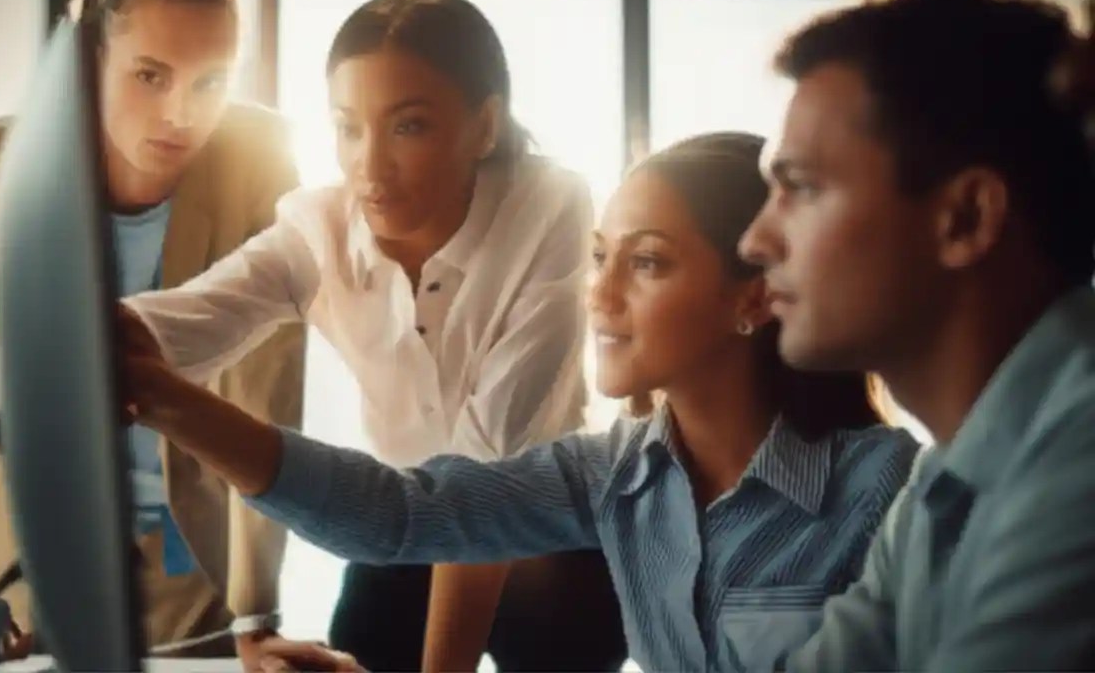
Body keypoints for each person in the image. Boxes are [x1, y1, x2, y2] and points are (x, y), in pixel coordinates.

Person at [118, 132, 922, 673]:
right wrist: (165, 399)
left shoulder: (890, 493)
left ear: (754, 297)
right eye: (599, 256)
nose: (598, 294)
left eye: (646, 264)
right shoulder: (615, 477)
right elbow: (402, 514)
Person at [121, 0, 628, 673]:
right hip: (401, 528)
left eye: (408, 127)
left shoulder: (548, 206)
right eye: (347, 126)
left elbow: (487, 468)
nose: (369, 165)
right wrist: (55, 322)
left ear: (484, 126)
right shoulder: (317, 228)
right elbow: (177, 325)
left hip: (552, 552)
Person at [0, 0, 306, 658]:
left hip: (195, 552)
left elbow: (269, 391)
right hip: (28, 548)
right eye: (149, 75)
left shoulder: (258, 160)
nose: (181, 113)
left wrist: (257, 614)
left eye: (211, 82)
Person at [737, 0, 1095, 671]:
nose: (755, 241)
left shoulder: (1080, 458)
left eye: (802, 187)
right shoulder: (945, 475)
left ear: (964, 219)